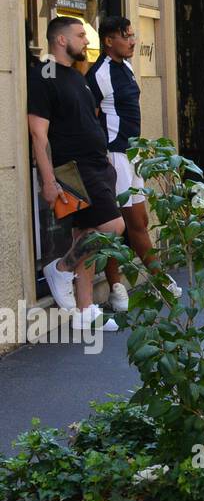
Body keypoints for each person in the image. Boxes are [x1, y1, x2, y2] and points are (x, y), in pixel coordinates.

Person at [27, 17, 124, 332]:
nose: (86, 40)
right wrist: (48, 180)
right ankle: (61, 268)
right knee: (112, 226)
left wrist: (107, 163)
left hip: (97, 166)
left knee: (84, 235)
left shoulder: (76, 76)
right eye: (80, 35)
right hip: (72, 168)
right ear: (60, 40)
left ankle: (85, 310)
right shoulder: (44, 73)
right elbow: (38, 135)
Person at [87, 16, 181, 312]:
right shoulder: (98, 74)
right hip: (114, 157)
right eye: (126, 36)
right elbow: (90, 118)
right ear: (108, 41)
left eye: (132, 34)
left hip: (132, 154)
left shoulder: (125, 67)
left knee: (136, 222)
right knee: (129, 223)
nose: (133, 40)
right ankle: (152, 282)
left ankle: (120, 287)